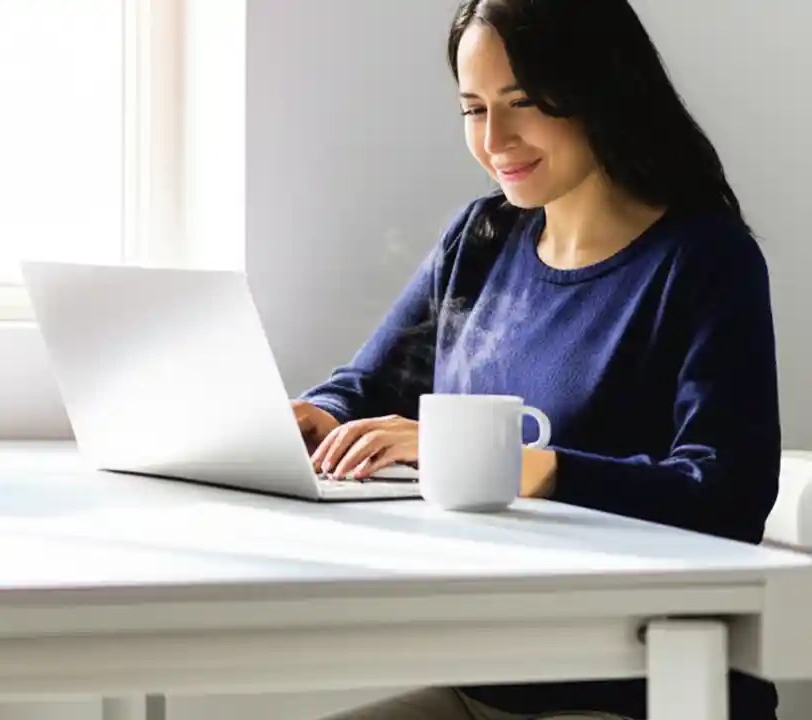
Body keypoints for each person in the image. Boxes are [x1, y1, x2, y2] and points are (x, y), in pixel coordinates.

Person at [290, 1, 781, 718]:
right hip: (486, 678)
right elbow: (369, 385)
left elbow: (724, 495)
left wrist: (513, 466)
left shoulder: (705, 261)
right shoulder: (481, 238)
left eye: (522, 104)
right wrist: (318, 416)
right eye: (473, 109)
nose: (495, 140)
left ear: (599, 91)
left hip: (643, 689)